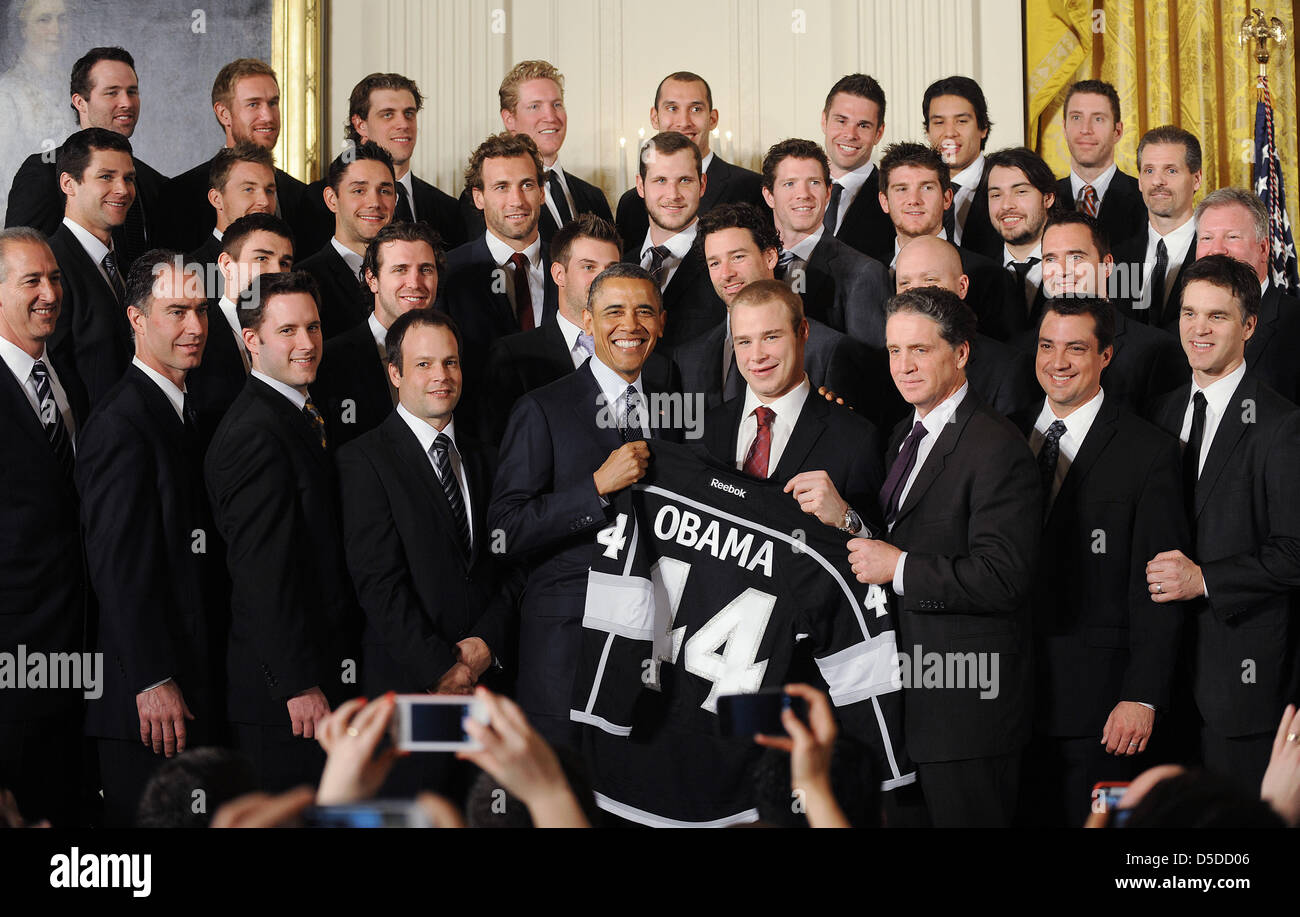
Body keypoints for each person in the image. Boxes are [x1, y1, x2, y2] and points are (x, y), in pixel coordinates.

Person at [846, 286, 1039, 827]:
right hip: (909, 709)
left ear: (961, 354)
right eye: (894, 351)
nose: (903, 366)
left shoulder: (997, 446)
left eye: (920, 350)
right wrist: (848, 520)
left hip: (968, 714)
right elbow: (896, 539)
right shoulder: (903, 435)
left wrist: (899, 568)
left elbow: (1005, 577)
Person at [1012, 295, 1187, 827]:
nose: (1057, 361)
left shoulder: (1149, 451)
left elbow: (1158, 587)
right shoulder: (1001, 433)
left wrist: (1142, 695)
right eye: (1047, 346)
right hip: (1005, 698)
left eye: (1076, 348)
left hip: (1099, 706)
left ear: (1106, 355)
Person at [488, 263, 677, 749]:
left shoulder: (677, 408)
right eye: (613, 311)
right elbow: (504, 531)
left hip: (658, 647)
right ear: (587, 322)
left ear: (660, 321)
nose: (630, 326)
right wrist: (594, 488)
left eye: (644, 312)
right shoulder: (541, 408)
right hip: (566, 649)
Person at [336, 309, 521, 793]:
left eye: (451, 363)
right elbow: (378, 583)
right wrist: (442, 668)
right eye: (423, 365)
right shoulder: (363, 460)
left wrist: (485, 647)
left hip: (489, 687)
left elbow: (512, 567)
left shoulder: (489, 457)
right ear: (394, 373)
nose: (441, 376)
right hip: (411, 690)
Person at [77, 251, 222, 827]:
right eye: (176, 312)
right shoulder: (120, 423)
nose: (195, 327)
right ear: (136, 320)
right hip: (147, 704)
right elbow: (117, 567)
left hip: (191, 682)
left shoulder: (191, 409)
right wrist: (151, 678)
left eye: (203, 311)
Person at [1146, 254, 1300, 796]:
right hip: (1162, 681)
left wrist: (1204, 579)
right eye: (1189, 313)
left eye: (1217, 316)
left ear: (1250, 326)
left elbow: (1295, 553)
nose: (1199, 329)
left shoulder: (1281, 425)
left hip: (1242, 680)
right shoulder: (1159, 412)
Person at [204, 271, 359, 792]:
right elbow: (260, 572)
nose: (308, 344)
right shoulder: (253, 432)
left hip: (322, 676)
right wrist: (297, 683)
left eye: (313, 328)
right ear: (252, 340)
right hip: (286, 700)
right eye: (288, 330)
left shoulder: (302, 411)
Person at [0, 227, 87, 827]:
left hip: (80, 657)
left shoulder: (66, 377)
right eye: (31, 280)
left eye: (54, 278)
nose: (49, 293)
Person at [700, 279, 883, 537]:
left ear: (803, 331)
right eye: (744, 342)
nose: (757, 355)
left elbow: (878, 553)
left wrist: (845, 517)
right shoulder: (708, 429)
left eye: (771, 337)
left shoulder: (856, 438)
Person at [478, 214, 676, 444]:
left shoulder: (659, 367)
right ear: (558, 274)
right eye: (589, 267)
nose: (602, 279)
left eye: (611, 268)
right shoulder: (514, 358)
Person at [675, 202, 876, 417]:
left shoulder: (828, 351)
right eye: (714, 263)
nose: (725, 273)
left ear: (770, 257)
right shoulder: (688, 359)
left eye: (737, 257)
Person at [5, 47, 165, 269]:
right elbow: (18, 264)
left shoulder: (154, 182)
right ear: (80, 102)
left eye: (132, 91)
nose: (127, 103)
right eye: (112, 92)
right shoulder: (44, 171)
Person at [300, 73, 465, 255]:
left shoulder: (447, 208)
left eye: (409, 113)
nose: (403, 124)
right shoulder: (314, 201)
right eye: (388, 115)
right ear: (360, 124)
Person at [1039, 210, 1187, 413]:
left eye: (1075, 257)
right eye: (1050, 259)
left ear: (1107, 265)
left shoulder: (1158, 351)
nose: (1062, 271)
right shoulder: (1022, 350)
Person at [313, 221, 441, 450]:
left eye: (426, 270)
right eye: (400, 269)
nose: (415, 283)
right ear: (372, 279)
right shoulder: (330, 362)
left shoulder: (458, 354)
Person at [160, 59, 309, 253]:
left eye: (273, 103)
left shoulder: (301, 196)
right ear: (224, 114)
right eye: (253, 104)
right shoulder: (179, 195)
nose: (268, 116)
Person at [877, 140, 1020, 341]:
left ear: (947, 198)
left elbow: (1004, 358)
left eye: (926, 188)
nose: (914, 200)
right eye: (901, 189)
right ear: (884, 201)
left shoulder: (990, 276)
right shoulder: (872, 273)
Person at [459, 60, 611, 242]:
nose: (550, 117)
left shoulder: (593, 196)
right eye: (534, 106)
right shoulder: (485, 198)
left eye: (556, 105)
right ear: (509, 119)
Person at [759, 138, 890, 348]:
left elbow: (868, 366)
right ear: (769, 195)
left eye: (814, 183)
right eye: (789, 184)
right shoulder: (754, 264)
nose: (803, 195)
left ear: (828, 192)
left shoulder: (864, 273)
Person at [894, 234, 1038, 419]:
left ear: (962, 286)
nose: (916, 294)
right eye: (905, 283)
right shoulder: (882, 367)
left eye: (930, 280)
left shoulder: (1006, 371)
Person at [615, 71, 764, 246]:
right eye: (672, 108)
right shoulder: (631, 203)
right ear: (655, 117)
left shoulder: (752, 189)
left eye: (696, 109)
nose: (684, 122)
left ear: (713, 118)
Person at [46, 127, 136, 408]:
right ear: (68, 184)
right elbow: (54, 370)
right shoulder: (49, 266)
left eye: (128, 178)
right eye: (106, 177)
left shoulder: (126, 265)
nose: (122, 189)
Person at [185, 213, 295, 439]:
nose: (277, 273)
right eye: (262, 259)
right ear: (226, 264)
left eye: (285, 263)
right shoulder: (196, 338)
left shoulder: (297, 340)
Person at [1194, 187, 1300, 404]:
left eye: (1232, 237)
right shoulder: (1179, 331)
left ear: (1263, 249)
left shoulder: (1295, 324)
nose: (1216, 250)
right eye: (1206, 238)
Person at [624, 131, 725, 349]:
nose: (673, 194)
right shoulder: (622, 265)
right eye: (660, 180)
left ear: (703, 184)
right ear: (640, 186)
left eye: (685, 180)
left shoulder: (724, 262)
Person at [1113, 126, 1202, 329]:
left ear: (1196, 179)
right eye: (1149, 170)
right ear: (1140, 181)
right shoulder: (1115, 256)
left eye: (1171, 170)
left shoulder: (1216, 253)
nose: (1157, 181)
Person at [1054, 79, 1148, 250]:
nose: (1085, 129)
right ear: (1064, 128)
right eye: (1076, 117)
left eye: (1098, 119)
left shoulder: (1146, 199)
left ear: (1117, 131)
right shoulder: (1045, 199)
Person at [819, 73, 894, 264]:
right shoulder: (792, 190)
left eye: (863, 125)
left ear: (879, 133)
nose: (850, 134)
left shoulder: (893, 199)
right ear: (824, 121)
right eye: (841, 121)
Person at [984, 146, 1058, 338]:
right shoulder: (976, 272)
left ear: (1048, 198)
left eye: (1021, 192)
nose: (1007, 205)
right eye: (996, 195)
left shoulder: (1079, 268)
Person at [923, 75, 1001, 258]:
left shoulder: (1005, 182)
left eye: (961, 121)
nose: (949, 133)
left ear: (983, 128)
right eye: (939, 122)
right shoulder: (914, 188)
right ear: (927, 131)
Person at [189, 142, 278, 291]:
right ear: (217, 199)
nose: (264, 201)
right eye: (249, 189)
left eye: (269, 190)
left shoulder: (285, 268)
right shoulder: (190, 274)